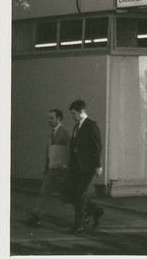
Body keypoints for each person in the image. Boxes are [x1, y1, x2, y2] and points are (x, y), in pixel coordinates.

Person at [23, 109, 71, 227]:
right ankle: (36, 217)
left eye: (51, 118)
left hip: (62, 170)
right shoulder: (51, 133)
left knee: (71, 194)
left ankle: (92, 210)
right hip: (51, 169)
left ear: (59, 119)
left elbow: (71, 150)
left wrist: (67, 166)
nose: (48, 120)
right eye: (48, 118)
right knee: (44, 192)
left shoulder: (65, 132)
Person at [65, 99, 104, 233]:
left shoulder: (91, 125)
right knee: (73, 194)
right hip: (76, 167)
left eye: (73, 113)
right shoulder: (77, 127)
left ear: (82, 111)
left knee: (80, 195)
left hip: (87, 167)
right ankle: (95, 211)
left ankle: (78, 226)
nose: (72, 116)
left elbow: (97, 146)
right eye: (71, 114)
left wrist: (98, 166)